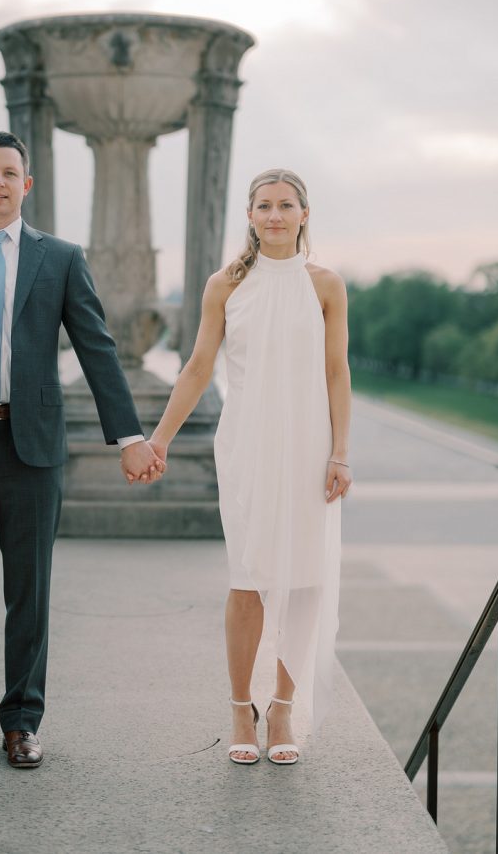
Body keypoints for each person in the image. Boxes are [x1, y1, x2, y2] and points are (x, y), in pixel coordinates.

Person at [0, 131, 164, 769]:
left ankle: (21, 722)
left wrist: (130, 436)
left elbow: (97, 347)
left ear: (26, 185)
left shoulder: (60, 258)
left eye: (9, 173)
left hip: (31, 445)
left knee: (29, 591)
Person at [149, 168, 351, 765]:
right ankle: (242, 706)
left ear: (304, 214)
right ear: (250, 215)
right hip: (247, 446)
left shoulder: (326, 285)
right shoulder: (225, 285)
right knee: (248, 578)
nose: (275, 216)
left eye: (286, 205)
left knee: (304, 578)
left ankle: (283, 707)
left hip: (310, 446)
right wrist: (159, 441)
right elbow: (196, 369)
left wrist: (340, 452)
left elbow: (336, 372)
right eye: (264, 206)